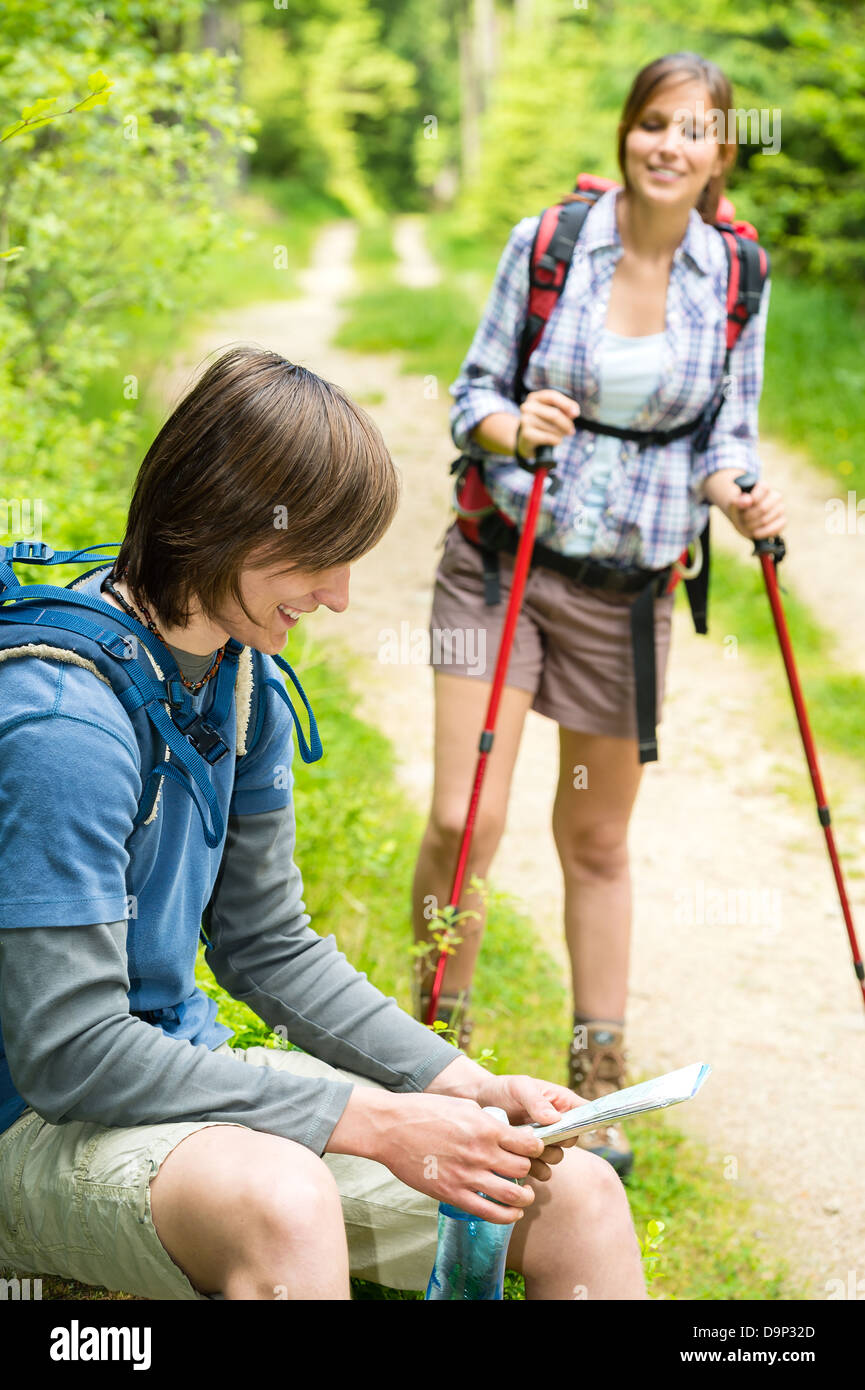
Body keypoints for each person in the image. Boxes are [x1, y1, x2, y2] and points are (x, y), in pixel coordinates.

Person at [0, 346, 646, 1300]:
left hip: (180, 1088)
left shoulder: (239, 676)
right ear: (215, 521)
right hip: (31, 1124)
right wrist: (371, 1121)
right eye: (316, 557)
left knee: (578, 1198)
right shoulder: (65, 724)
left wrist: (454, 1084)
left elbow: (267, 945)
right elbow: (72, 1053)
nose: (338, 595)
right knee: (285, 1199)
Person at [412, 51, 786, 1178]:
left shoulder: (734, 277)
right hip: (501, 565)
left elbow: (730, 432)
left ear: (722, 151)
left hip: (626, 596)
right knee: (462, 818)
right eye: (651, 123)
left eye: (694, 130)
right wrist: (511, 428)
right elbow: (470, 396)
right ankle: (432, 1050)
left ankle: (596, 1076)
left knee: (598, 840)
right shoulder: (549, 244)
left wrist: (738, 491)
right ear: (627, 132)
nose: (668, 145)